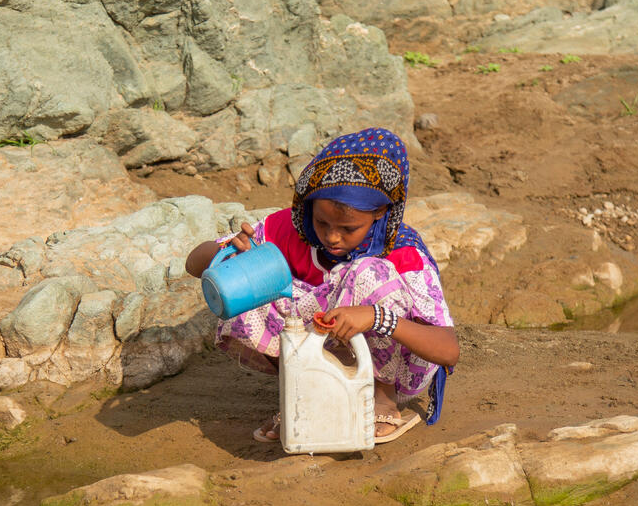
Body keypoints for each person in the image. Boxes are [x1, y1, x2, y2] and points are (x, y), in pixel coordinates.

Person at [184, 127, 459, 443]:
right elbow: (194, 264)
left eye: (348, 228)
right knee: (250, 285)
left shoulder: (403, 252)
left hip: (398, 365)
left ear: (381, 211)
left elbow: (449, 351)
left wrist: (374, 317)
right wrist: (232, 253)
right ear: (309, 205)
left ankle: (380, 396)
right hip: (326, 345)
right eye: (322, 222)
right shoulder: (291, 229)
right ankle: (303, 392)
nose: (331, 236)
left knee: (369, 273)